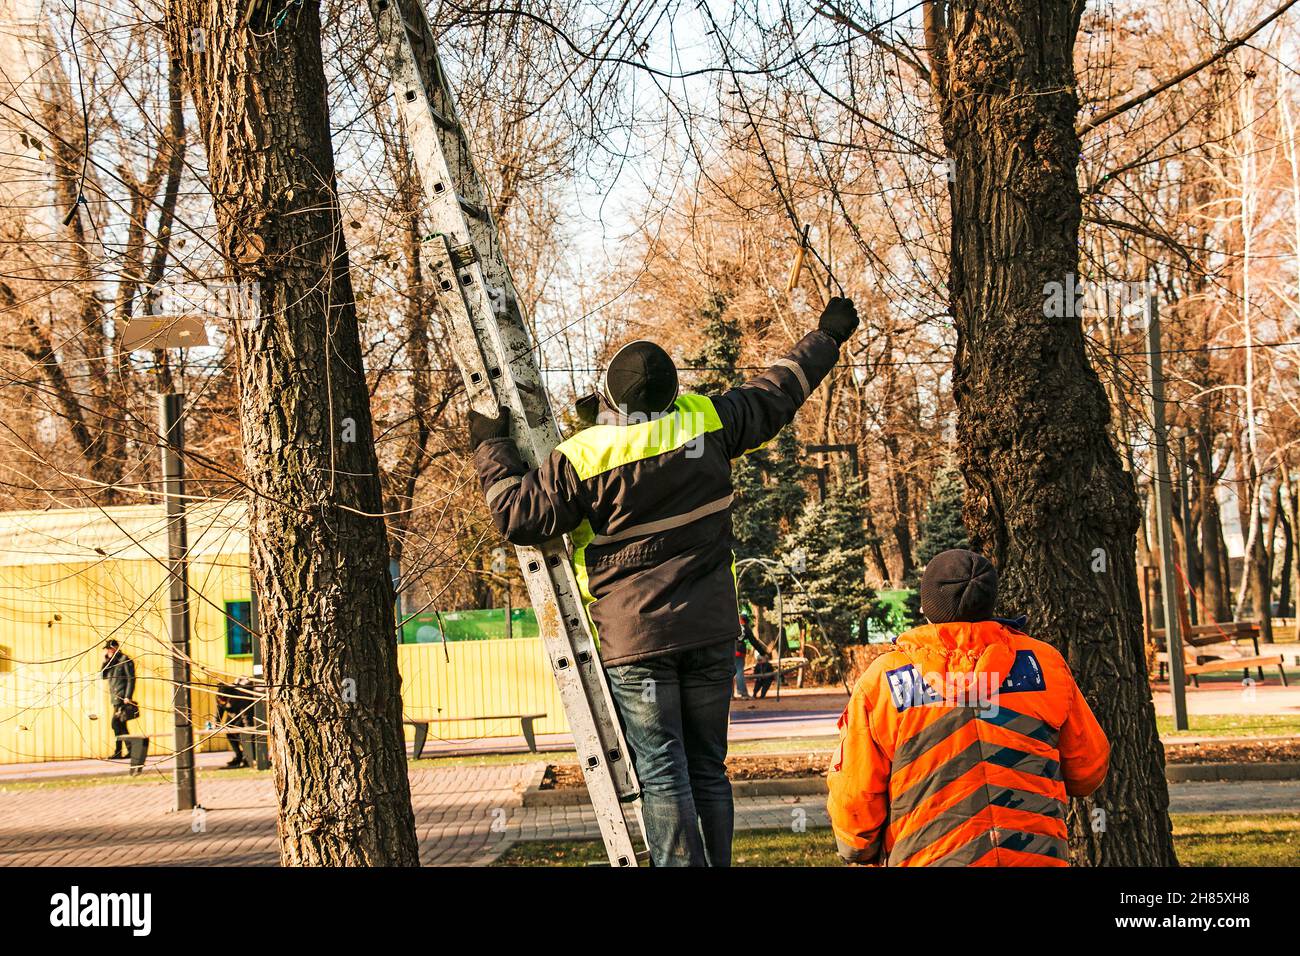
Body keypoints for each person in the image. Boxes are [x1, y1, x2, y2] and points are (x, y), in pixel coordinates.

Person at [470, 297, 859, 866]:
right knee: (708, 768)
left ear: (613, 398)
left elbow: (518, 516)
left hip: (638, 641)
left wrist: (490, 444)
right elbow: (781, 390)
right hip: (709, 635)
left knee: (662, 773)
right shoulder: (708, 423)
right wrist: (827, 336)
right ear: (673, 391)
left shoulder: (585, 455)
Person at [827, 549, 1110, 866]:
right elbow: (1087, 770)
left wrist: (858, 848)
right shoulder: (1043, 664)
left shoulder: (884, 680)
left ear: (926, 607)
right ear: (990, 603)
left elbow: (855, 792)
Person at [100, 639, 137, 759]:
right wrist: (106, 660)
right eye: (107, 649)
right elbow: (102, 675)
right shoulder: (111, 661)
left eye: (110, 648)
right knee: (120, 725)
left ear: (115, 647)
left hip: (122, 698)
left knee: (116, 724)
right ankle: (129, 750)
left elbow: (131, 679)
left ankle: (119, 751)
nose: (108, 651)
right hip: (115, 698)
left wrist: (128, 696)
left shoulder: (125, 660)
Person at [215, 677, 258, 769]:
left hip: (245, 712)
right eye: (220, 699)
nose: (221, 701)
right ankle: (239, 756)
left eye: (224, 699)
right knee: (229, 733)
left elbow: (246, 714)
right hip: (233, 714)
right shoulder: (219, 696)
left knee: (242, 735)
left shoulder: (239, 696)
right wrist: (216, 723)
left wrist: (248, 729)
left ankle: (248, 757)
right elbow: (220, 710)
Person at [734, 613, 758, 699]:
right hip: (739, 651)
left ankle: (730, 695)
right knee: (739, 671)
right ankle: (743, 692)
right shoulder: (745, 628)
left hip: (731, 651)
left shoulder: (733, 626)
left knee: (730, 672)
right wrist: (762, 653)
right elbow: (753, 641)